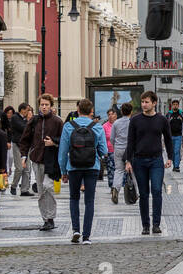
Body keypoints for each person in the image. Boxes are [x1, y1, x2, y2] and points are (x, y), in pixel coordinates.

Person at [123, 91, 174, 234]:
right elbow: (130, 141)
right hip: (139, 160)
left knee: (157, 191)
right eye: (143, 102)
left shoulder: (162, 120)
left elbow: (168, 139)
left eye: (147, 102)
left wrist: (170, 157)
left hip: (156, 160)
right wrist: (128, 160)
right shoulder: (135, 120)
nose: (144, 105)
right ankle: (145, 225)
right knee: (144, 194)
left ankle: (156, 224)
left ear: (154, 103)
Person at [58, 99, 107, 245]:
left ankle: (76, 230)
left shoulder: (68, 126)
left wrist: (63, 170)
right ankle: (86, 236)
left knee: (74, 198)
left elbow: (63, 151)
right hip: (92, 167)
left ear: (78, 110)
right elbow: (103, 151)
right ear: (91, 111)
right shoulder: (97, 127)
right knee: (90, 201)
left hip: (73, 166)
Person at [21, 94, 64, 232]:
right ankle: (45, 219)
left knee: (48, 187)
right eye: (42, 104)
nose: (44, 107)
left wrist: (54, 142)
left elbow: (63, 139)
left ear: (51, 106)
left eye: (46, 104)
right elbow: (25, 139)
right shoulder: (34, 120)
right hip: (37, 159)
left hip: (51, 160)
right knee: (40, 191)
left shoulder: (57, 121)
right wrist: (23, 156)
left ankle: (51, 217)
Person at [110, 102, 132, 204]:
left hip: (118, 148)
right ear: (131, 111)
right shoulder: (132, 122)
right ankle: (136, 191)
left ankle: (115, 189)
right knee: (133, 171)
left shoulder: (116, 123)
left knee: (118, 170)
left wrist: (115, 147)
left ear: (121, 111)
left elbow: (112, 138)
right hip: (130, 149)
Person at [8, 103, 30, 196]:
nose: (28, 112)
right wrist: (28, 122)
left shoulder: (25, 119)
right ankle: (14, 185)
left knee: (27, 168)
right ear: (22, 110)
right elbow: (24, 128)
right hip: (17, 144)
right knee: (19, 167)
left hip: (26, 145)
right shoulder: (15, 118)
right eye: (27, 110)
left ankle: (24, 189)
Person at [167, 100, 183, 174]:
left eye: (176, 104)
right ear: (172, 105)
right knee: (172, 151)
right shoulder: (169, 114)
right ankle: (173, 164)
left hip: (179, 135)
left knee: (177, 151)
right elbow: (166, 125)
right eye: (174, 104)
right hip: (170, 135)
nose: (175, 106)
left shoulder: (182, 114)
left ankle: (176, 166)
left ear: (178, 105)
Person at [103, 108, 118, 190]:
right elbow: (102, 140)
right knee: (110, 170)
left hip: (119, 151)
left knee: (119, 170)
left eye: (112, 114)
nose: (110, 116)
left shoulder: (119, 124)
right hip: (109, 151)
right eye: (109, 115)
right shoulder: (105, 126)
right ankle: (112, 186)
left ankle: (118, 186)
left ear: (116, 115)